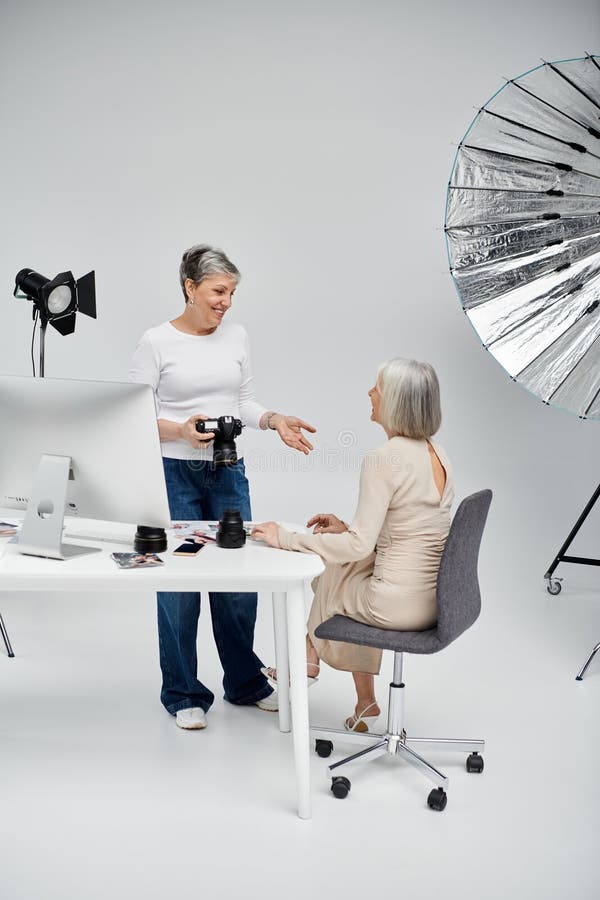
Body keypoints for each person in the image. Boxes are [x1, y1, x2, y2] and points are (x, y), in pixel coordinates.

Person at [130, 244, 316, 730]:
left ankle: (246, 683)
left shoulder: (236, 336)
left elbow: (245, 401)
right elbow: (131, 417)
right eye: (218, 291)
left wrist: (273, 420)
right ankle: (183, 693)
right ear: (189, 288)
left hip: (227, 469)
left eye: (231, 292)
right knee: (179, 584)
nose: (226, 302)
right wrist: (180, 431)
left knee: (236, 578)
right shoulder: (155, 342)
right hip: (173, 474)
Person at [252, 358, 453, 733]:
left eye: (377, 387)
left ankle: (304, 660)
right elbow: (405, 530)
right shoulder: (437, 454)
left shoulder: (384, 459)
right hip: (431, 602)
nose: (370, 393)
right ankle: (364, 699)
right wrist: (344, 528)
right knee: (338, 559)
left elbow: (358, 547)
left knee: (332, 565)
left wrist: (286, 538)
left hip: (394, 606)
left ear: (395, 400)